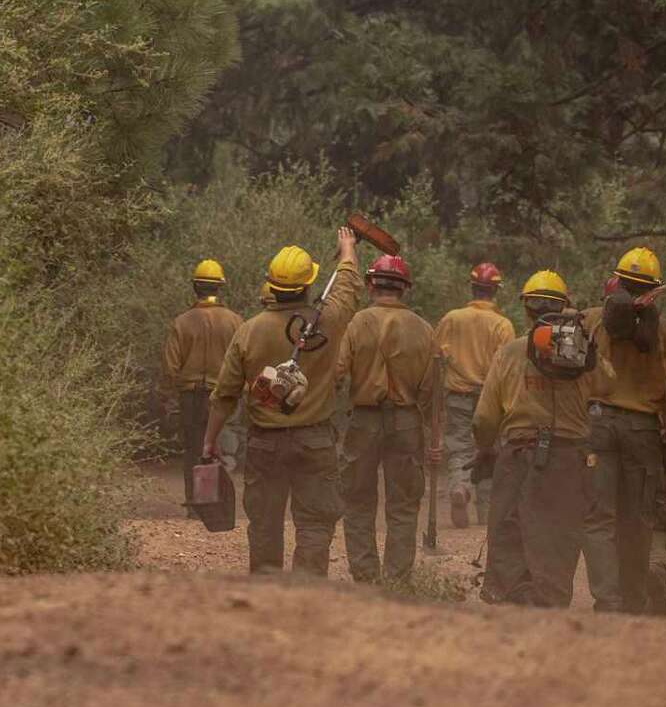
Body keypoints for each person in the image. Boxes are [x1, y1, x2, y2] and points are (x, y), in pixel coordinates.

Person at [203, 227, 362, 575]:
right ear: (308, 286)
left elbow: (225, 395)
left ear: (271, 285)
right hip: (315, 440)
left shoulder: (249, 330)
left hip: (265, 442)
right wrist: (347, 247)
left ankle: (267, 594)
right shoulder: (330, 321)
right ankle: (307, 596)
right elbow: (348, 282)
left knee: (264, 524)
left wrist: (210, 441)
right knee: (316, 525)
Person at [582, 247, 666, 616]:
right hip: (644, 435)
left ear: (617, 282)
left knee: (597, 518)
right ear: (655, 291)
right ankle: (636, 596)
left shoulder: (591, 322)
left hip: (597, 428)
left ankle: (607, 601)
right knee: (639, 520)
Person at [472, 270, 597, 606]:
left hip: (518, 454)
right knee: (560, 532)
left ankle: (513, 600)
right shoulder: (586, 356)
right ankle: (551, 604)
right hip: (569, 459)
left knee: (508, 530)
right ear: (565, 308)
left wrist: (486, 448)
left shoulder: (510, 353)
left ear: (526, 309)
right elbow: (605, 400)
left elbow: (484, 418)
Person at [335, 253, 438, 583]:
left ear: (370, 285)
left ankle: (365, 576)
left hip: (363, 421)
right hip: (407, 421)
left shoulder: (356, 323)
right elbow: (432, 391)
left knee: (357, 499)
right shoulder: (424, 329)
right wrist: (433, 437)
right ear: (405, 289)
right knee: (404, 505)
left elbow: (337, 373)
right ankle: (396, 580)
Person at [434, 262, 514, 526]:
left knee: (459, 447)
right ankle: (486, 513)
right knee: (490, 448)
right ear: (495, 291)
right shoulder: (503, 325)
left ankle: (460, 486)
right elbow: (507, 368)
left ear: (473, 288)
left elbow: (437, 356)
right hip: (490, 398)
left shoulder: (452, 318)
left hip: (457, 393)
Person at [161, 259, 242, 509]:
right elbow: (244, 361)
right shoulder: (235, 321)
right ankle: (217, 504)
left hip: (190, 395)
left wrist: (168, 396)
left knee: (194, 448)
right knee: (220, 447)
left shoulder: (181, 322)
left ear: (195, 286)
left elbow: (170, 367)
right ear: (219, 287)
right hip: (224, 395)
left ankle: (196, 504)